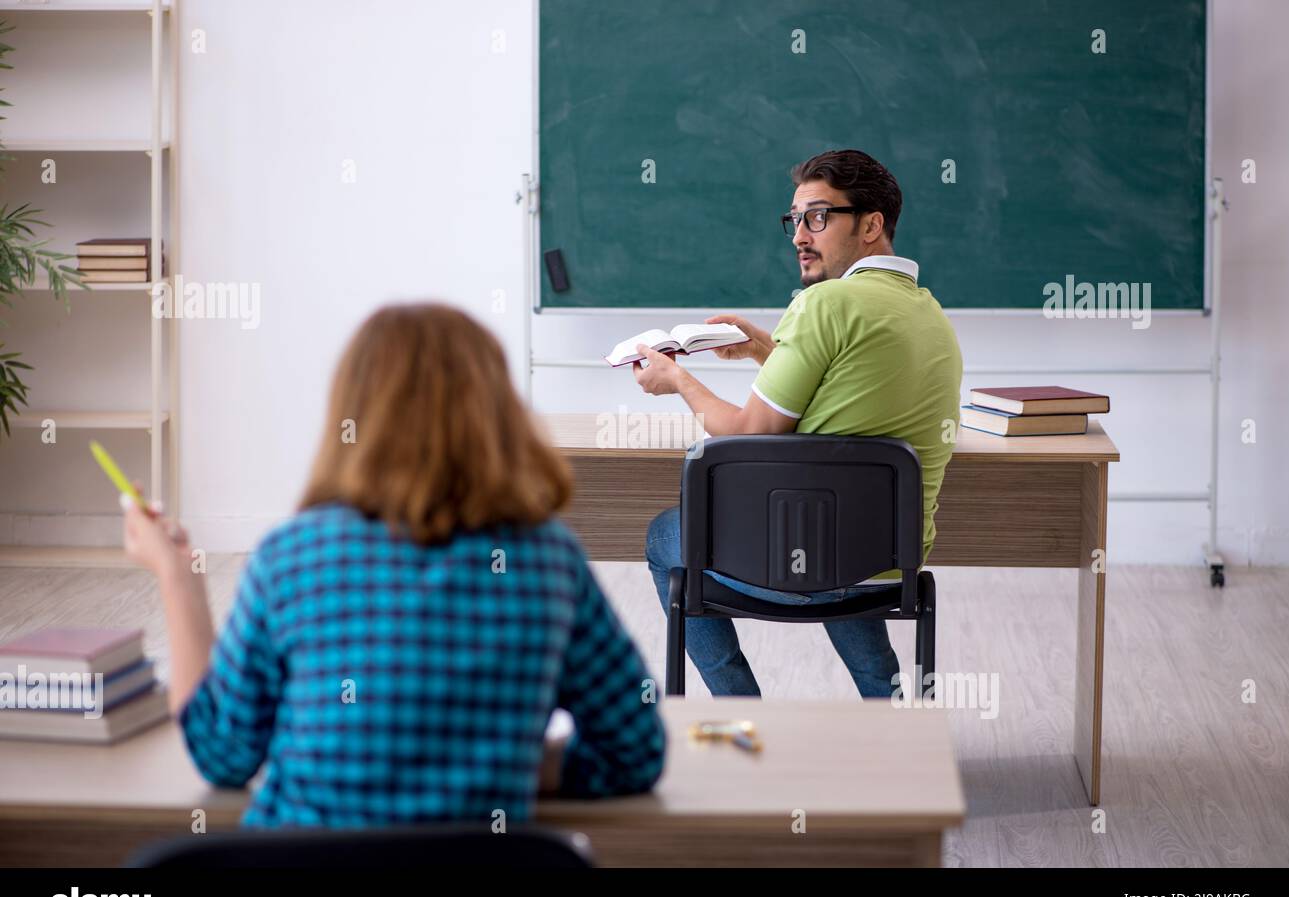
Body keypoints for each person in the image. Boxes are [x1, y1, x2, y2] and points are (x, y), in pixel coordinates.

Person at [123, 303, 665, 826]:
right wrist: (502, 765)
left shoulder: (291, 557)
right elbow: (634, 753)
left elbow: (222, 756)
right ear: (496, 415)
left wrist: (177, 577)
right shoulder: (548, 561)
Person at [634, 149, 963, 698]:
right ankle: (889, 708)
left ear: (871, 224)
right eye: (795, 219)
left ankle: (742, 712)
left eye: (818, 217)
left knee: (663, 534)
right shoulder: (928, 311)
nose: (799, 236)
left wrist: (678, 380)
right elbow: (845, 392)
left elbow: (748, 434)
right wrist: (766, 348)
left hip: (800, 566)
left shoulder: (825, 304)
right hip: (886, 561)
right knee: (836, 526)